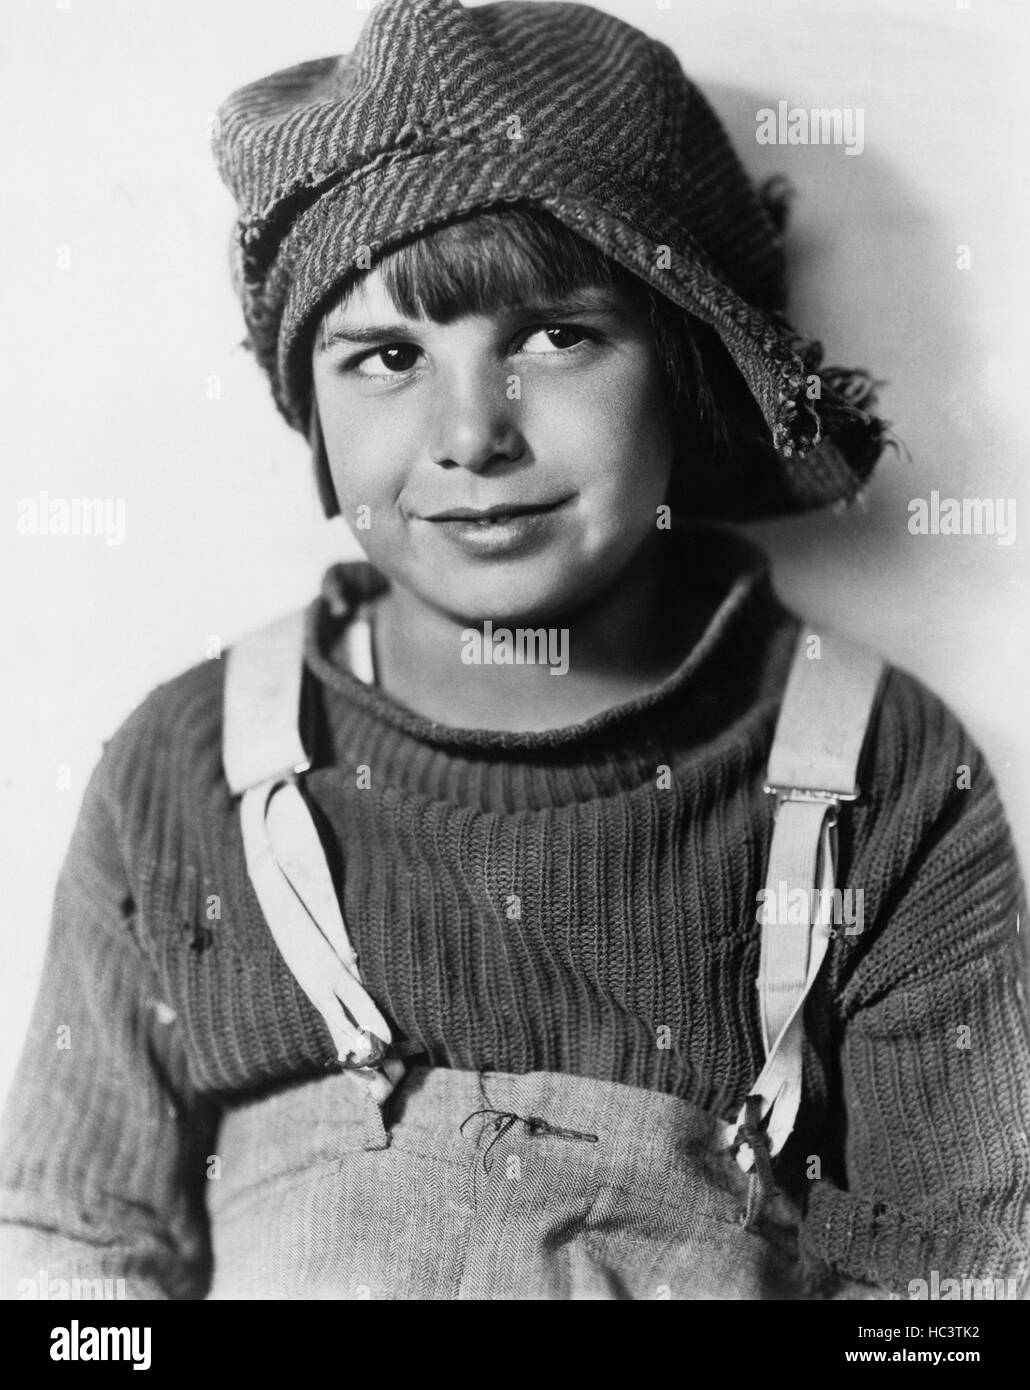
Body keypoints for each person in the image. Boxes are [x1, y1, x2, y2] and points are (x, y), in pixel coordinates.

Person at [1, 0, 1027, 1301]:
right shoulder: (182, 774)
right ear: (308, 416)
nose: (470, 432)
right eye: (384, 356)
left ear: (689, 367)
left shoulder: (875, 777)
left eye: (556, 336)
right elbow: (63, 1270)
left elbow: (958, 1298)